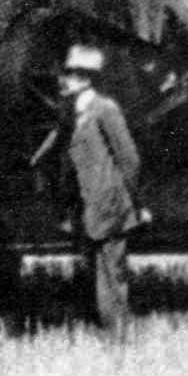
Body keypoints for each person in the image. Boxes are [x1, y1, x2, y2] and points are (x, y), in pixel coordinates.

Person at [56, 42, 142, 334]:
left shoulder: (105, 109)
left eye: (69, 74)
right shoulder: (72, 113)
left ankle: (118, 337)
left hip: (109, 203)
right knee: (94, 271)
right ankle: (103, 329)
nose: (62, 79)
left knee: (111, 274)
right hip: (86, 206)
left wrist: (134, 203)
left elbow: (129, 159)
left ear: (85, 78)